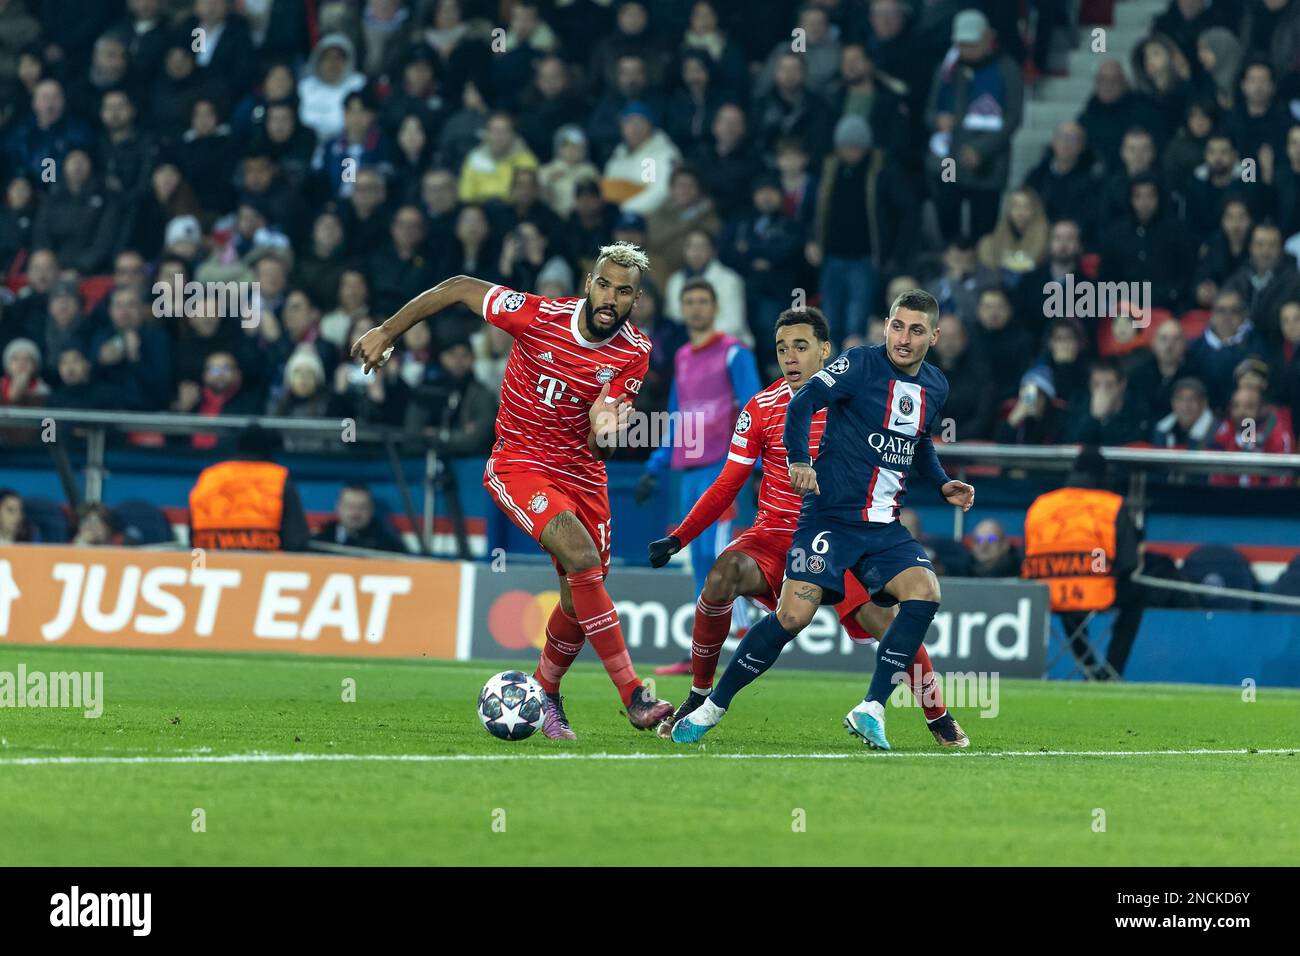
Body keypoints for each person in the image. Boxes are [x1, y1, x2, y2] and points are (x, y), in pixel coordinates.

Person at [352, 241, 674, 735]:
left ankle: (545, 694)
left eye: (624, 292)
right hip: (519, 462)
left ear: (636, 299)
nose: (611, 298)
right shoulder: (538, 315)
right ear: (588, 283)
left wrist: (606, 432)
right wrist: (386, 330)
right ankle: (633, 695)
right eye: (604, 285)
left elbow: (602, 441)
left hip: (585, 475)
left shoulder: (635, 352)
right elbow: (459, 288)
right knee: (582, 559)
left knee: (576, 596)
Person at [647, 307, 967, 747]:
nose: (790, 358)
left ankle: (937, 714)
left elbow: (910, 440)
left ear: (825, 351)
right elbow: (726, 483)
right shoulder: (760, 408)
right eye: (782, 349)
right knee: (722, 576)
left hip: (840, 531)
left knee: (888, 619)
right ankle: (699, 696)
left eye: (801, 347)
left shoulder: (857, 395)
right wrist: (680, 536)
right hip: (775, 534)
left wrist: (935, 482)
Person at [637, 278, 761, 618]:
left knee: (717, 553)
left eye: (703, 301)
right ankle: (701, 646)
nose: (696, 308)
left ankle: (739, 633)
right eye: (689, 301)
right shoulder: (682, 356)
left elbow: (757, 410)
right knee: (696, 555)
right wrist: (655, 465)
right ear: (681, 308)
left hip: (722, 469)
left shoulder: (734, 352)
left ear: (716, 307)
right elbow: (677, 416)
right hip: (688, 471)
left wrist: (761, 468)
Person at [1022, 446, 1143, 680]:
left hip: (1045, 595)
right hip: (1096, 591)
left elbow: (1026, 555)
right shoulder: (1112, 505)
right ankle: (1111, 671)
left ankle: (1087, 665)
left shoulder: (1042, 504)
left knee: (1069, 605)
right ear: (1104, 474)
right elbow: (1129, 563)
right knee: (1135, 597)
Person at [187, 426, 310, 552]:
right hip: (263, 566)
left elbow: (192, 540)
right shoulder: (277, 477)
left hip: (210, 566)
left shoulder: (209, 476)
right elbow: (296, 541)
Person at [314, 484, 406, 553]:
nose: (355, 513)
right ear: (338, 508)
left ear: (371, 510)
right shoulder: (318, 542)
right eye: (350, 506)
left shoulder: (387, 545)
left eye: (362, 507)